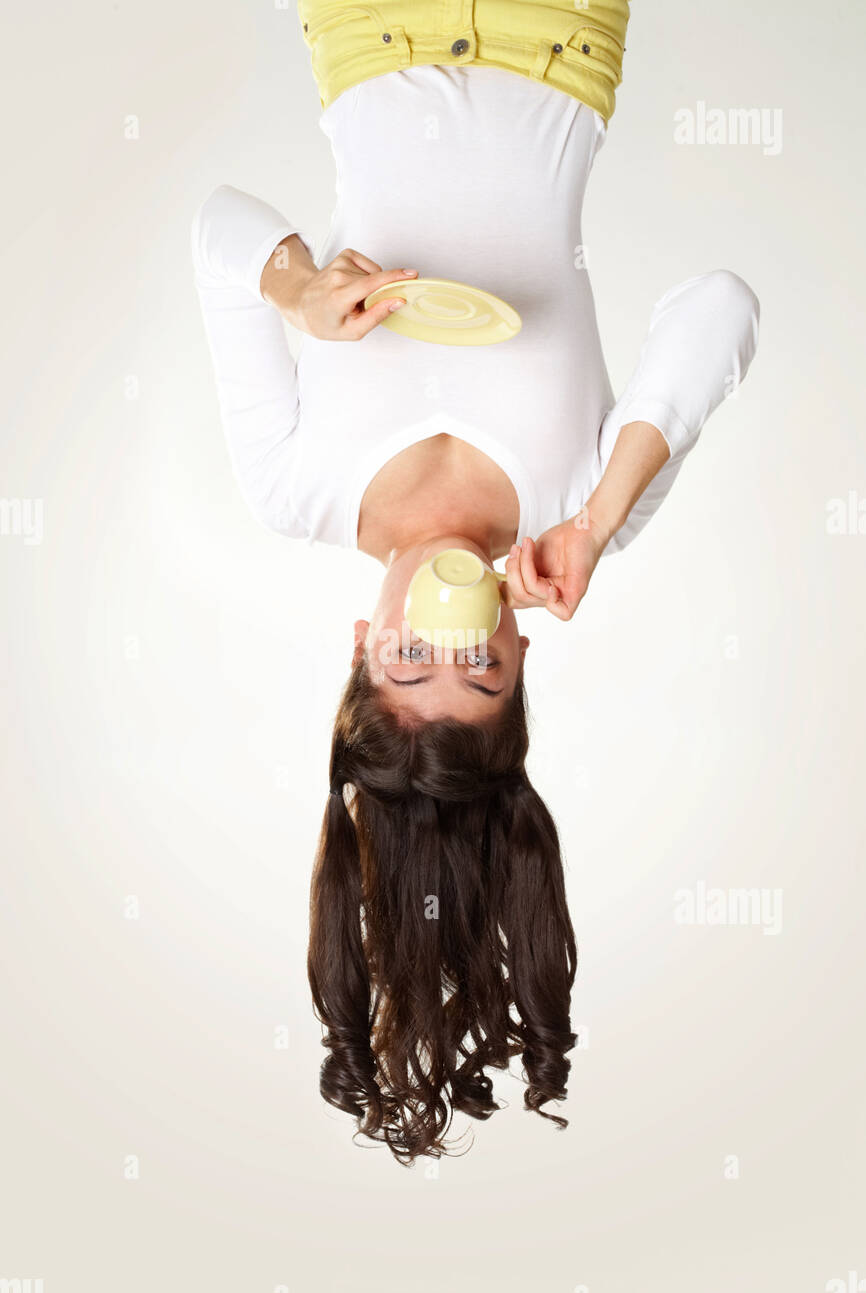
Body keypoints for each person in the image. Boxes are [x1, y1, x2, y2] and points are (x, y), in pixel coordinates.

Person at [191, 0, 760, 1162]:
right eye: (479, 666)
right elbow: (721, 307)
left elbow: (215, 226)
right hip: (560, 31)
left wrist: (296, 292)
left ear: (361, 642)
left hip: (366, 29)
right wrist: (600, 516)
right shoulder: (580, 512)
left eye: (410, 658)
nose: (446, 632)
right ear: (519, 652)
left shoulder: (294, 492)